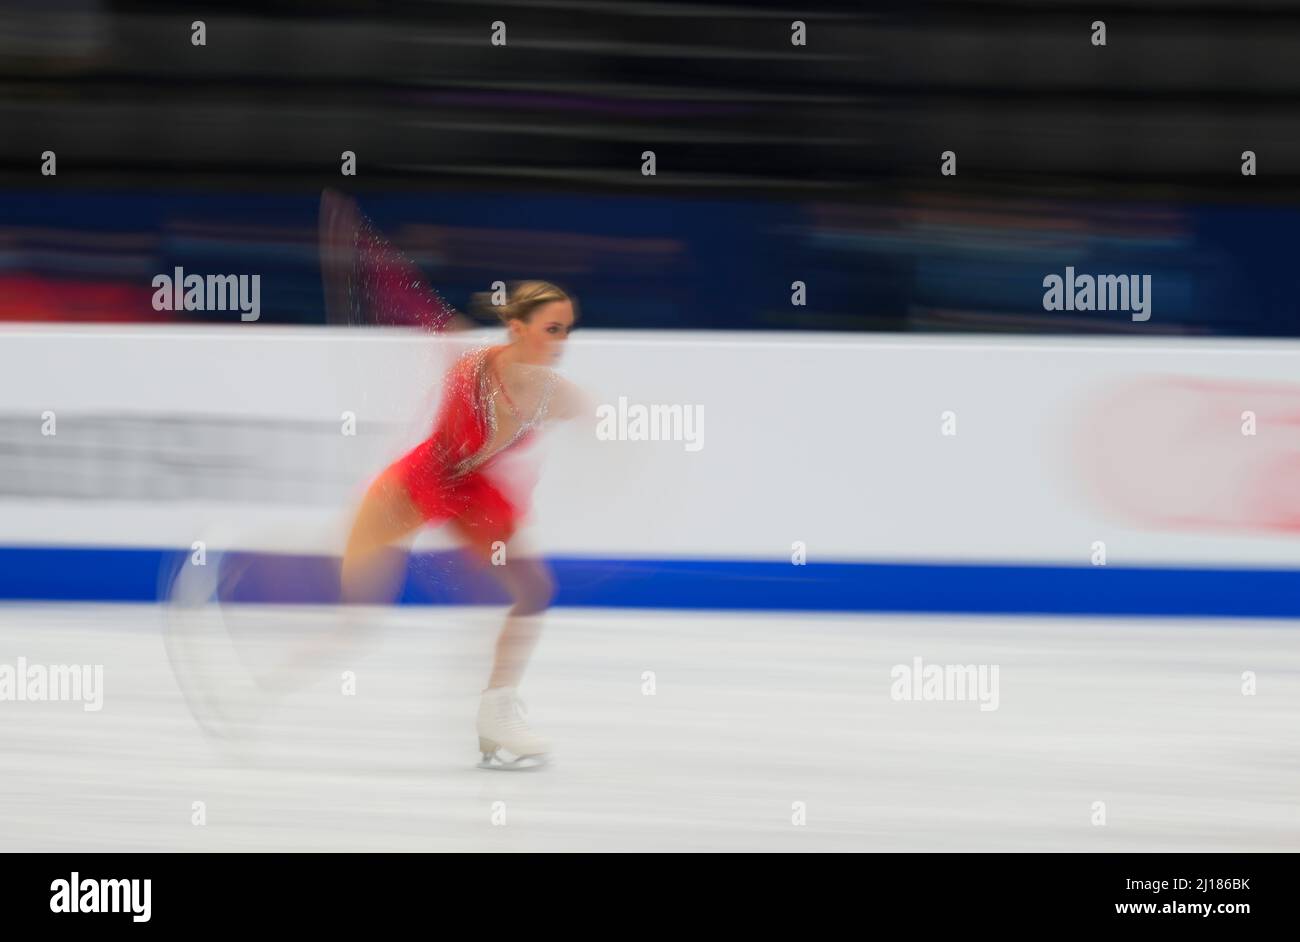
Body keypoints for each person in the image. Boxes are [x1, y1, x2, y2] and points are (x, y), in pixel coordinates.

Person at [320, 189, 587, 769]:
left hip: (471, 496)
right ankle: (258, 613)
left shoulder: (556, 394)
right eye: (552, 329)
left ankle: (496, 713)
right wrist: (359, 244)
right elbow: (408, 297)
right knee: (356, 605)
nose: (561, 343)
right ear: (516, 328)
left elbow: (602, 427)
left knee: (533, 591)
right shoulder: (471, 363)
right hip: (420, 480)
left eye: (567, 331)